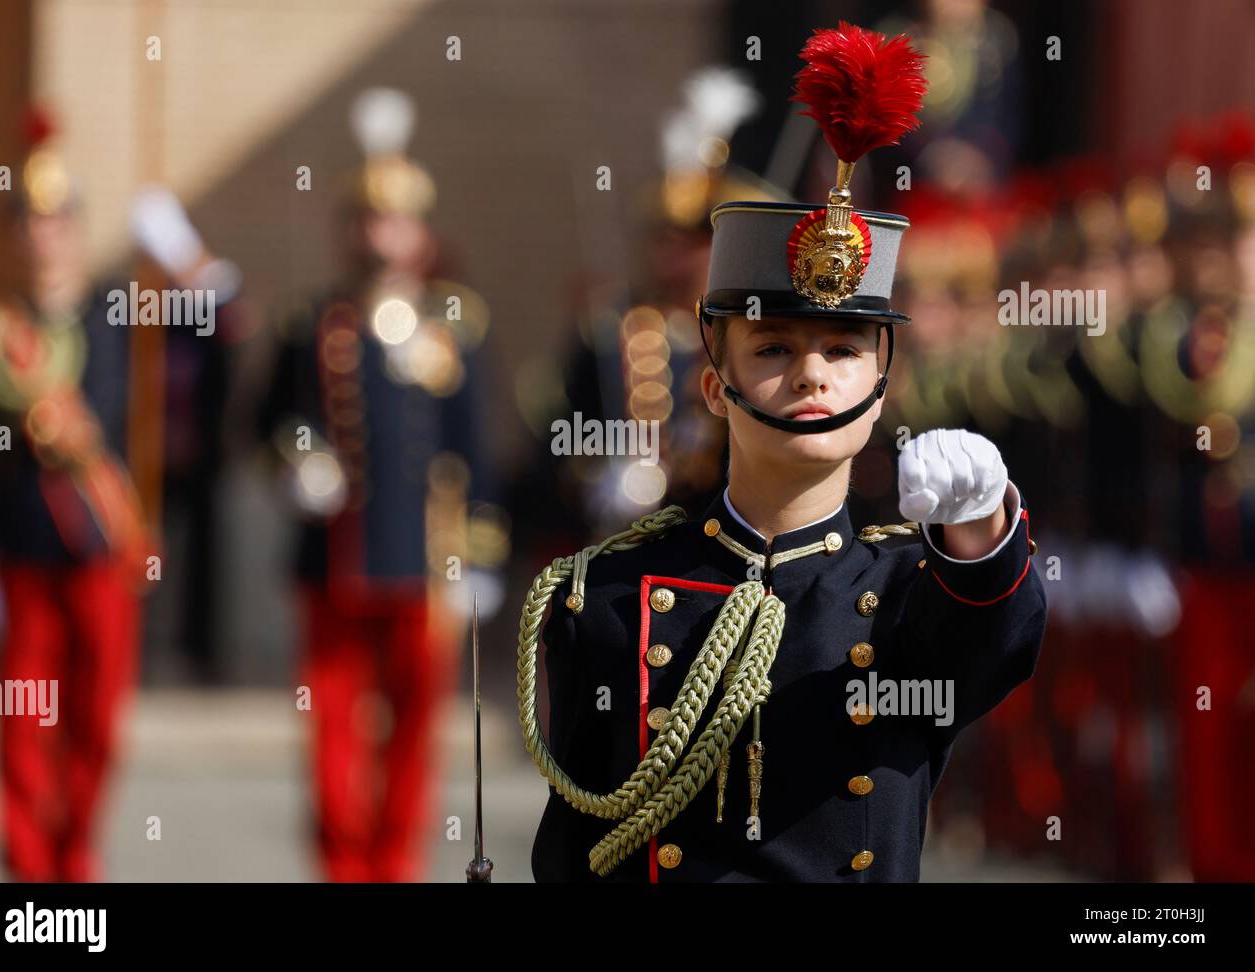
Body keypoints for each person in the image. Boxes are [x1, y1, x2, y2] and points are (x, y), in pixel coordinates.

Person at [520, 22, 1047, 882]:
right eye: (771, 350)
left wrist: (984, 528)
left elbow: (993, 644)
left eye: (843, 352)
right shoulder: (606, 596)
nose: (810, 375)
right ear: (714, 384)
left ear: (883, 382)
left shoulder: (912, 596)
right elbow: (573, 850)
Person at [257, 88, 504, 882]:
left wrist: (484, 555)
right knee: (330, 733)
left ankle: (393, 866)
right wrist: (300, 458)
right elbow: (270, 421)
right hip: (334, 560)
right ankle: (342, 867)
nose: (378, 235)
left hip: (426, 564)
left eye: (393, 220)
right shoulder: (312, 323)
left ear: (418, 232)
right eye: (365, 220)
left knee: (411, 739)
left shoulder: (456, 327)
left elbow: (476, 449)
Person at [0, 110, 151, 881]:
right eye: (30, 223)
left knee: (96, 723)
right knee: (24, 725)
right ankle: (28, 872)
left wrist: (198, 270)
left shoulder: (119, 316)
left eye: (57, 220)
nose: (45, 236)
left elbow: (214, 371)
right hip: (21, 550)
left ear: (75, 228)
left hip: (103, 548)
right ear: (17, 235)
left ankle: (77, 862)